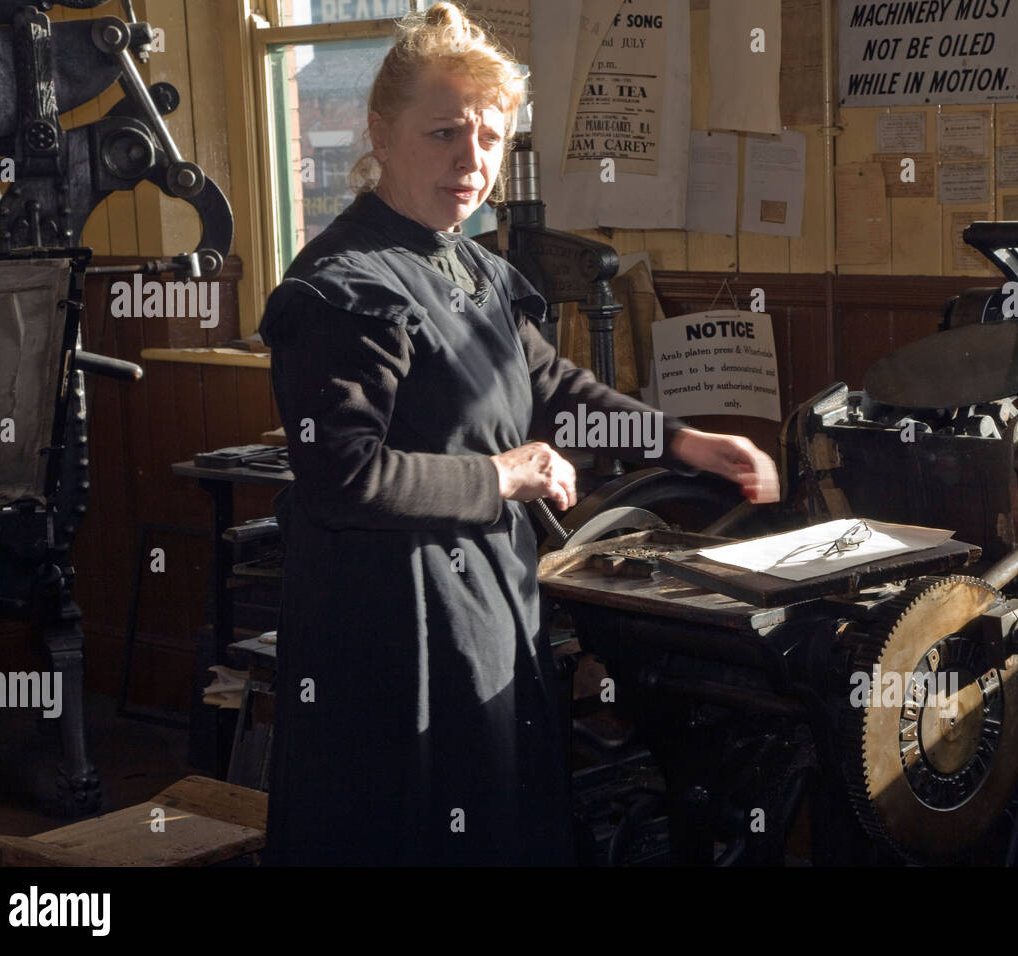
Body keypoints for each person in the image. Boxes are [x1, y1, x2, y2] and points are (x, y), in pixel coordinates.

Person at [258, 1, 779, 865]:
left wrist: (681, 441)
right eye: (445, 134)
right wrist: (502, 477)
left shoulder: (471, 265)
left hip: (487, 592)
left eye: (492, 139)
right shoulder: (346, 284)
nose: (473, 163)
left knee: (496, 809)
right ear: (380, 134)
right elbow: (341, 477)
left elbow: (552, 385)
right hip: (391, 617)